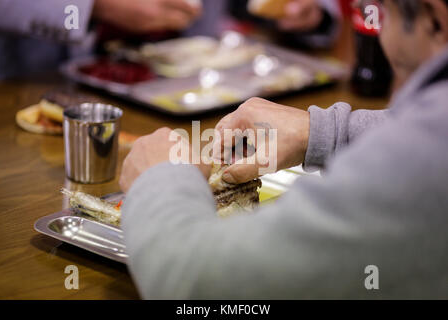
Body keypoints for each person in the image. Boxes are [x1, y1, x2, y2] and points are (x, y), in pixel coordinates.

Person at [119, 0, 448, 299]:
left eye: (382, 12)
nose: (379, 35)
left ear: (434, 20)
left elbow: (202, 283)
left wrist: (159, 180)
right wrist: (321, 131)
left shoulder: (426, 154)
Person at [0, 0, 339, 79]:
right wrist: (97, 5)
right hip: (32, 85)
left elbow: (321, 14)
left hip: (185, 92)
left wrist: (311, 16)